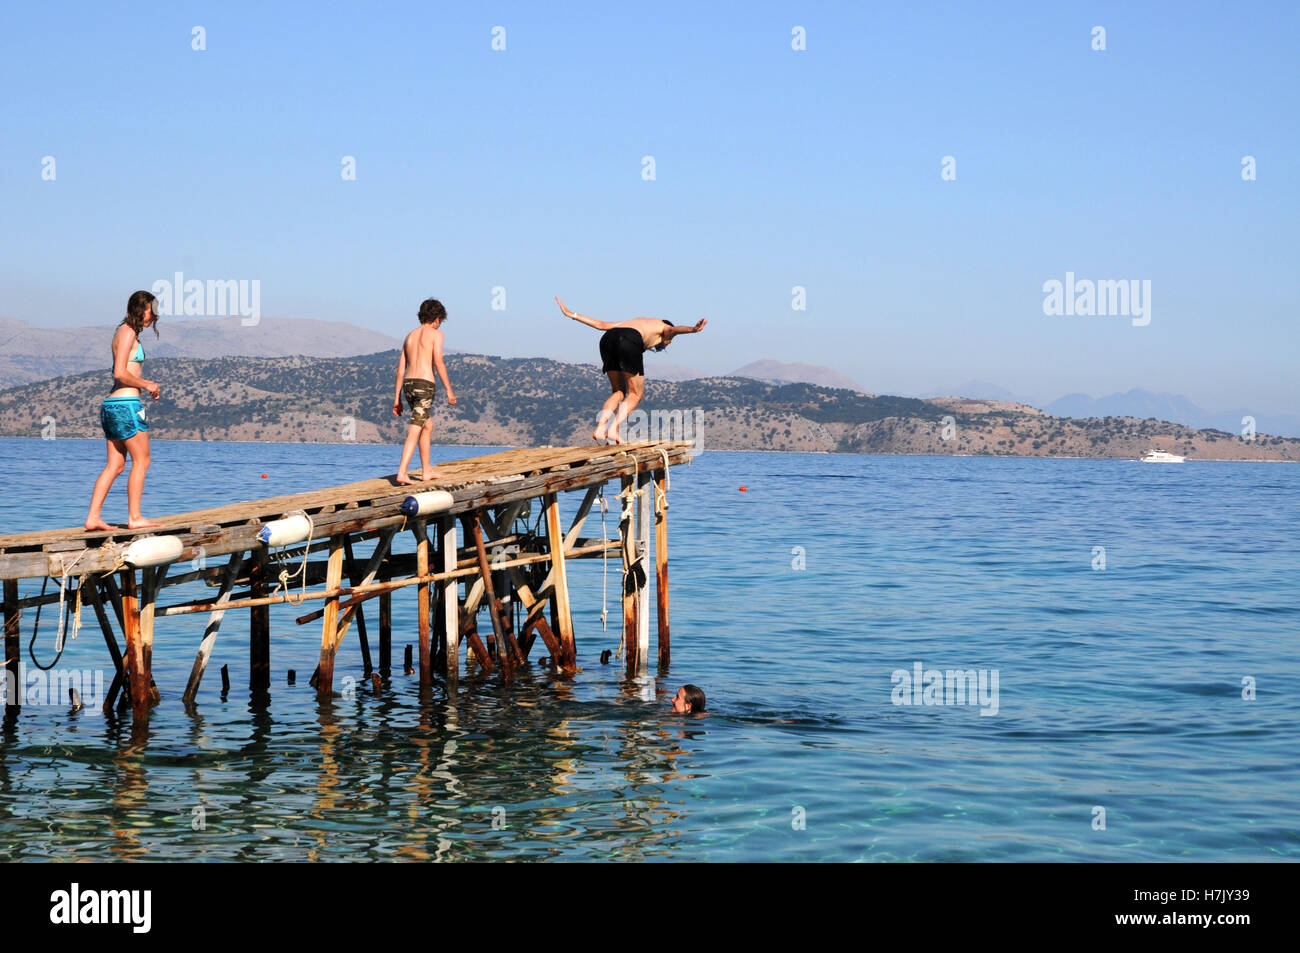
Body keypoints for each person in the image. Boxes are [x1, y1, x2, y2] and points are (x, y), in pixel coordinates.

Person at [555, 296, 706, 444]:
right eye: (668, 343)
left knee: (618, 392)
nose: (664, 346)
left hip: (607, 340)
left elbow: (600, 325)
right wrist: (692, 329)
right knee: (635, 394)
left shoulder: (632, 322)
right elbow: (673, 329)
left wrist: (571, 314)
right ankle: (613, 429)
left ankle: (600, 428)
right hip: (629, 341)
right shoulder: (662, 326)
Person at [85, 290, 162, 531]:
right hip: (127, 406)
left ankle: (93, 518)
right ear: (141, 309)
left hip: (112, 406)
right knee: (143, 460)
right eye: (152, 310)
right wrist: (147, 384)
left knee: (116, 465)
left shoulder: (124, 332)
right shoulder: (127, 332)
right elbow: (119, 372)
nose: (154, 315)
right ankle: (135, 517)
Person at [393, 298, 456, 484]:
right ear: (437, 318)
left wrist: (397, 398)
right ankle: (402, 472)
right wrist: (449, 391)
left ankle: (426, 470)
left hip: (408, 385)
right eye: (440, 321)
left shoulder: (409, 336)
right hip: (424, 385)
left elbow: (400, 370)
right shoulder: (436, 334)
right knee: (416, 428)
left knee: (427, 425)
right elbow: (438, 362)